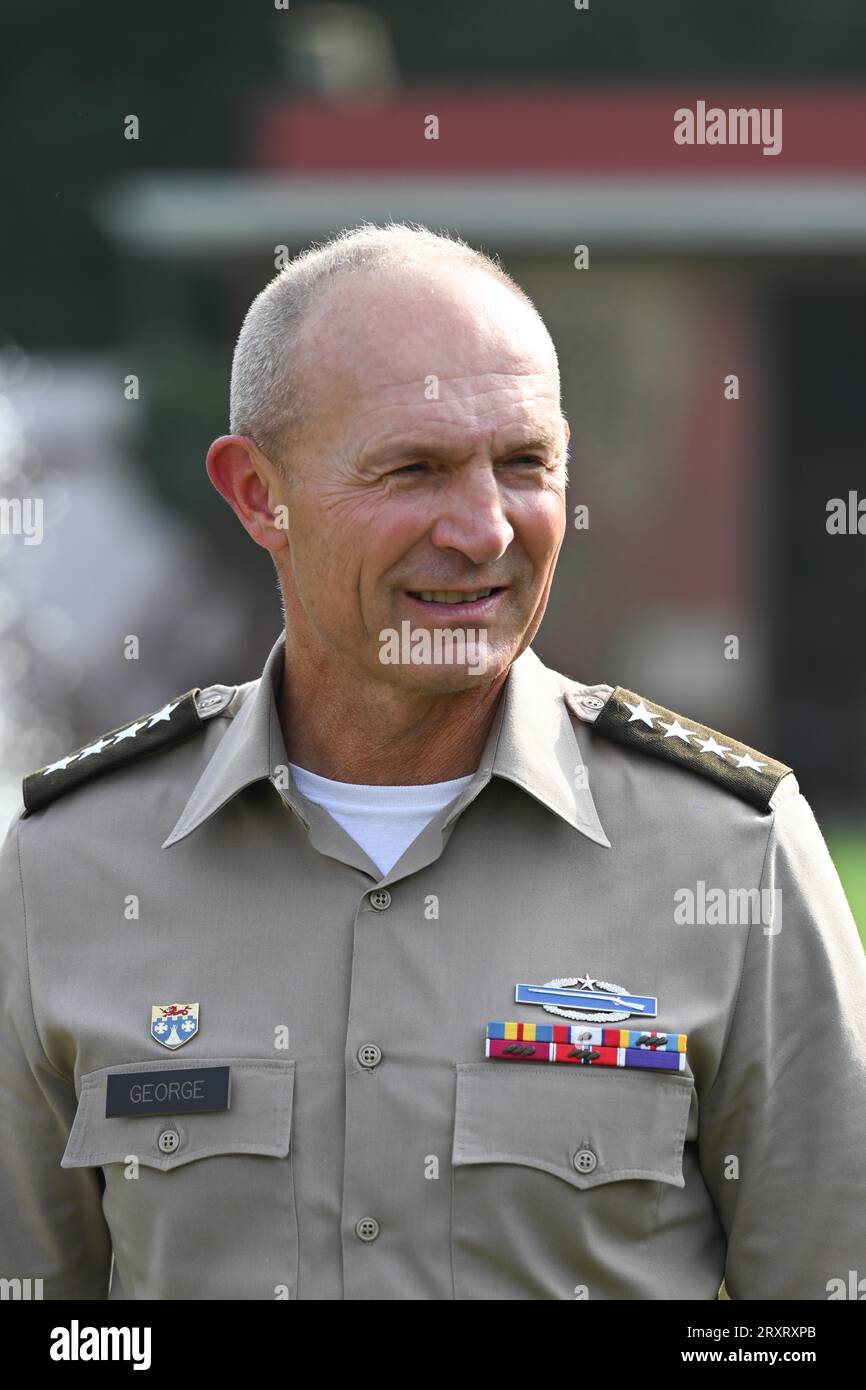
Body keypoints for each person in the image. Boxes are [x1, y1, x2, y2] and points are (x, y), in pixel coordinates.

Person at [1, 221, 864, 1302]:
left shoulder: (732, 855)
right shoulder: (65, 870)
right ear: (257, 493)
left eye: (522, 464)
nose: (484, 528)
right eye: (413, 468)